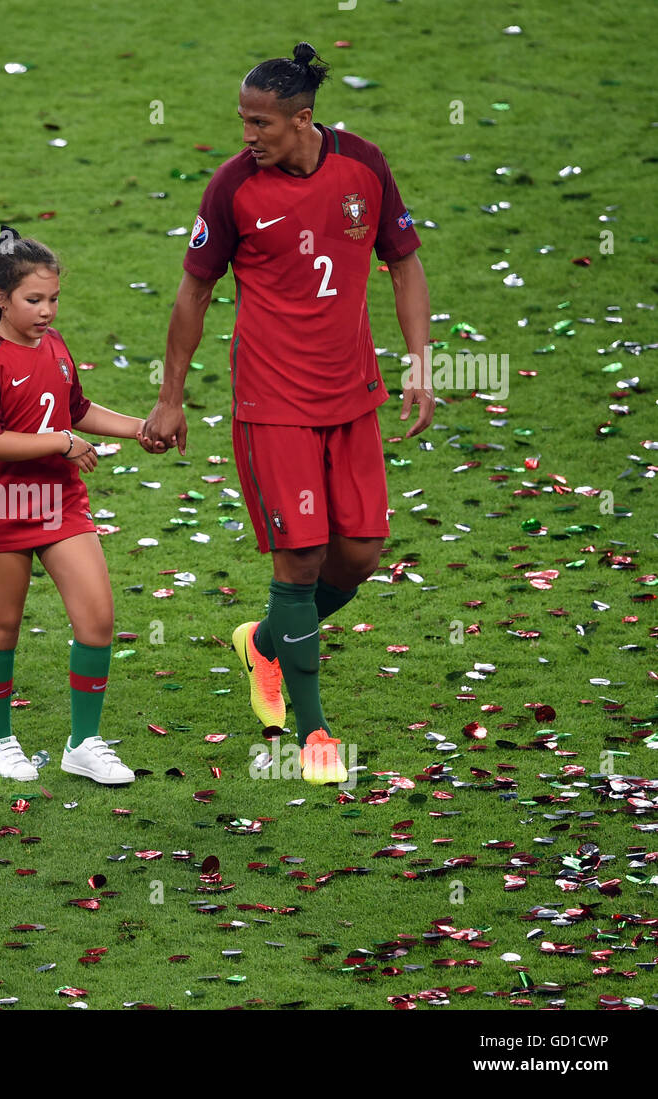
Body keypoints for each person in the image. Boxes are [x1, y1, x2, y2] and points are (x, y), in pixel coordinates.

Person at [141, 43, 434, 785]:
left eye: (261, 122)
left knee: (361, 551)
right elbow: (193, 293)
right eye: (243, 120)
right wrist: (171, 397)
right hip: (272, 403)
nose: (248, 135)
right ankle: (315, 733)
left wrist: (421, 359)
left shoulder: (363, 166)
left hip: (351, 396)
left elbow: (403, 261)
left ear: (302, 119)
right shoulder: (233, 188)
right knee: (299, 558)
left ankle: (265, 640)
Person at [0, 227, 150, 785]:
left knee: (97, 619)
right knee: (2, 627)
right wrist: (61, 443)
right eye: (33, 301)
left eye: (53, 299)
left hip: (60, 501)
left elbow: (77, 407)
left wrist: (139, 429)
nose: (46, 311)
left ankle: (84, 742)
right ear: (1, 299)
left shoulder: (56, 345)